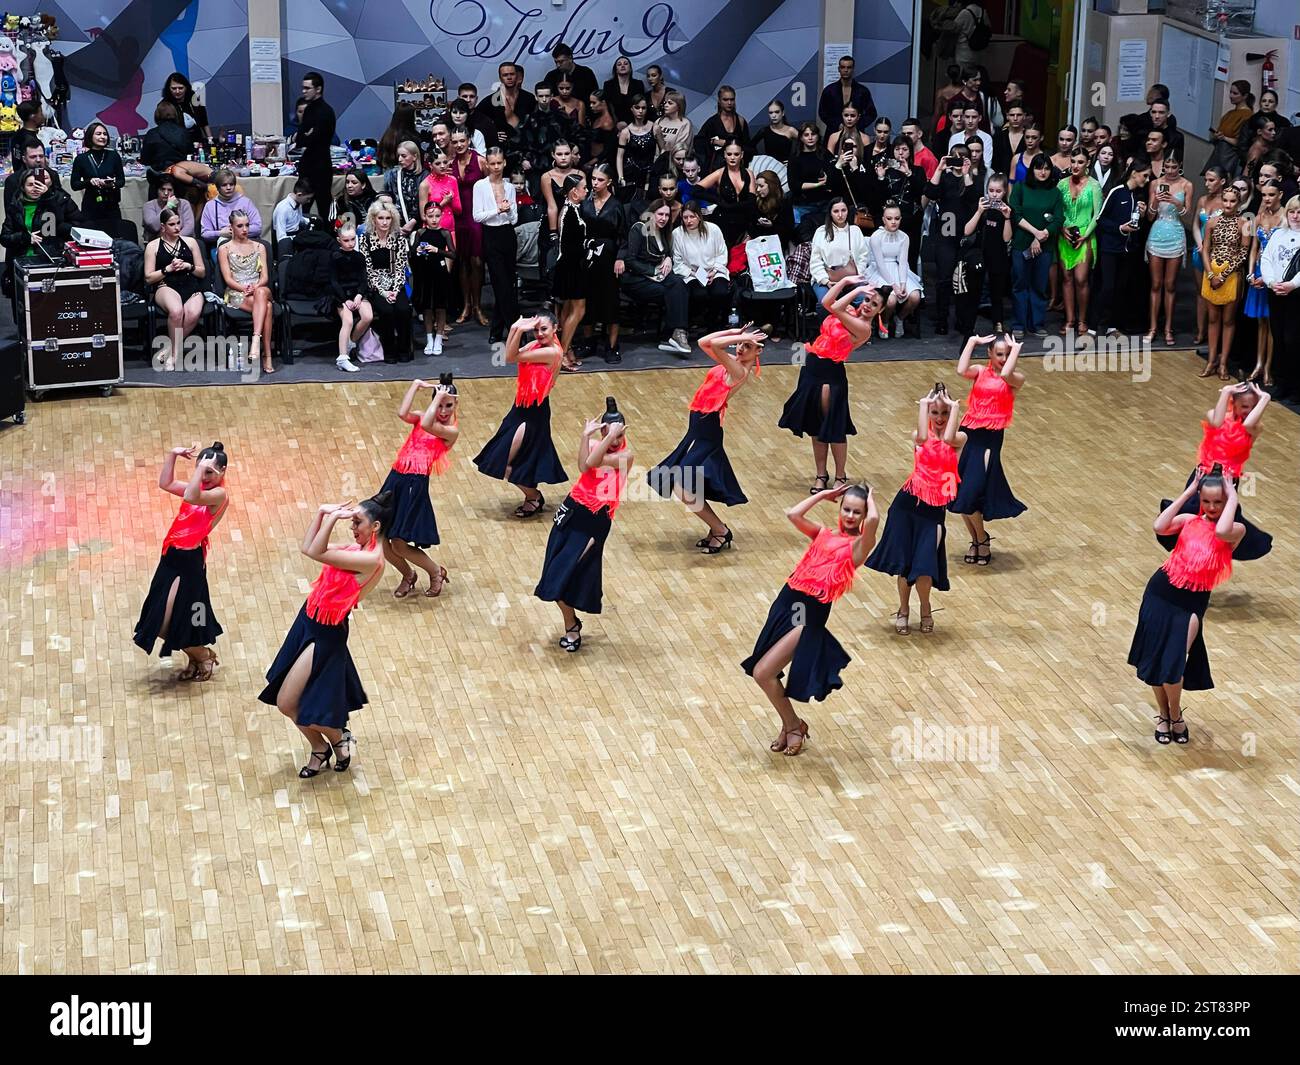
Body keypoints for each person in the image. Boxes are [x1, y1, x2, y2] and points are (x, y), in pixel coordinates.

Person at [260, 492, 393, 778]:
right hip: (307, 621)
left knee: (288, 702)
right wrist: (321, 513)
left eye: (357, 522)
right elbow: (309, 546)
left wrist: (331, 519)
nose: (352, 526)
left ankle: (337, 739)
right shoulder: (358, 550)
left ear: (377, 526)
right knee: (292, 701)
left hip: (326, 635)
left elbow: (316, 552)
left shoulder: (371, 559)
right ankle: (323, 746)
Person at [742, 483, 879, 756]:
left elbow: (874, 520)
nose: (851, 515)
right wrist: (823, 495)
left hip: (808, 615)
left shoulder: (859, 547)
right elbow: (793, 514)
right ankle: (790, 726)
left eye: (857, 512)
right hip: (785, 603)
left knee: (763, 672)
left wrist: (872, 498)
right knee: (764, 673)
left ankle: (793, 725)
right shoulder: (823, 534)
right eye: (847, 509)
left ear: (863, 515)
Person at [1129, 469, 1244, 744]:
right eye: (1207, 501)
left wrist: (1232, 495)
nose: (1212, 507)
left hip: (1191, 602)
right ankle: (1165, 715)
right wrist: (1190, 491)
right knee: (1157, 659)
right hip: (1160, 592)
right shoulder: (1188, 520)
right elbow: (1159, 526)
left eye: (1218, 502)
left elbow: (1222, 529)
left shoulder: (1236, 530)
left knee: (1174, 661)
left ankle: (1176, 715)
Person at [649, 326, 763, 551]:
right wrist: (736, 330)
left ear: (758, 352)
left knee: (681, 485)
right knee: (682, 483)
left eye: (747, 346)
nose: (740, 348)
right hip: (698, 429)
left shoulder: (738, 371)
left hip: (706, 431)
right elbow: (704, 342)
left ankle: (720, 529)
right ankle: (718, 529)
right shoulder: (732, 361)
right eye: (740, 344)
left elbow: (716, 345)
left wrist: (740, 336)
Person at [533, 398, 634, 653]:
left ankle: (572, 626)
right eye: (609, 433)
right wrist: (584, 437)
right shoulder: (594, 443)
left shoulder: (625, 456)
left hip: (596, 520)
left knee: (569, 573)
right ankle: (572, 623)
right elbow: (582, 466)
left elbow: (593, 463)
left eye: (618, 433)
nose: (613, 438)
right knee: (553, 575)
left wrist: (606, 438)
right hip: (572, 511)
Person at [866, 386, 965, 636]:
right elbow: (922, 436)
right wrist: (923, 403)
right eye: (935, 412)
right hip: (906, 506)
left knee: (925, 567)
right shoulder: (919, 436)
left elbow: (949, 436)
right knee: (905, 565)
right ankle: (902, 610)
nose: (940, 418)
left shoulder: (959, 439)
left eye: (944, 413)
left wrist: (954, 407)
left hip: (933, 513)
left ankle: (925, 609)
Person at [133, 442, 229, 681]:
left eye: (209, 472)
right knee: (159, 619)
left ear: (223, 472)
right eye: (200, 470)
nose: (203, 476)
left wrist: (198, 472)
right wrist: (172, 455)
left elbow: (191, 495)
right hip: (170, 558)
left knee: (177, 621)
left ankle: (203, 655)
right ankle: (198, 657)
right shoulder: (199, 489)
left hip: (189, 563)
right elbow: (165, 484)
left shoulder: (218, 494)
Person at [779, 276, 882, 489]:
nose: (867, 306)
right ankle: (821, 474)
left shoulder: (863, 328)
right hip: (812, 367)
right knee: (815, 426)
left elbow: (834, 307)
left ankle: (841, 476)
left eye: (874, 304)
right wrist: (845, 281)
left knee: (833, 427)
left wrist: (857, 290)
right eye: (867, 300)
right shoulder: (851, 312)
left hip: (831, 373)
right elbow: (826, 303)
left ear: (880, 311)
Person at [1155, 382, 1272, 562]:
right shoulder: (1215, 415)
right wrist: (1226, 392)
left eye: (1253, 407)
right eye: (1245, 406)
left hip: (1226, 480)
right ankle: (1185, 551)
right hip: (1203, 475)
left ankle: (1209, 556)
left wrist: (1266, 398)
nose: (1249, 411)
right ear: (1234, 403)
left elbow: (1248, 422)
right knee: (1190, 514)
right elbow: (1216, 422)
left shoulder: (1255, 427)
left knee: (1219, 522)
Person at [473, 313, 568, 517]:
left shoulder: (553, 352)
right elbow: (510, 352)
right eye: (536, 329)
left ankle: (533, 496)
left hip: (534, 413)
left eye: (544, 329)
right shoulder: (536, 345)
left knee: (506, 459)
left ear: (555, 328)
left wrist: (517, 328)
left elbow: (510, 357)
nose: (539, 333)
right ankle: (532, 495)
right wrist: (516, 328)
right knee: (503, 460)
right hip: (519, 408)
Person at [949, 335, 1026, 565]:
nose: (1003, 358)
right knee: (961, 492)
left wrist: (1017, 350)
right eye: (999, 354)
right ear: (990, 354)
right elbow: (961, 369)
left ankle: (982, 538)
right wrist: (972, 342)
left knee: (971, 491)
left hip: (990, 438)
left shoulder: (1015, 378)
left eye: (1006, 354)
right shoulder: (980, 371)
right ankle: (976, 541)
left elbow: (1005, 374)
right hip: (968, 434)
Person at [380, 378, 459, 599]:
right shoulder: (423, 417)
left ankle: (435, 571)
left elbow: (426, 426)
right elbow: (402, 413)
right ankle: (408, 575)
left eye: (449, 405)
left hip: (415, 485)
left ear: (456, 405)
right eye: (440, 404)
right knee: (382, 539)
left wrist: (439, 396)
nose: (443, 410)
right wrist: (416, 385)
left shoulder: (450, 431)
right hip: (395, 479)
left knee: (399, 542)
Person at [620, 198, 692, 354]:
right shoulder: (639, 228)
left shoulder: (664, 231)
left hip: (658, 276)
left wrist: (668, 258)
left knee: (680, 284)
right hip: (636, 278)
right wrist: (652, 271)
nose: (663, 218)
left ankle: (677, 332)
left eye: (666, 215)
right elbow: (630, 260)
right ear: (651, 214)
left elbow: (666, 252)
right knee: (671, 292)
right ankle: (672, 335)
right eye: (660, 214)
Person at [142, 207, 205, 371]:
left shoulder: (191, 242)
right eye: (172, 224)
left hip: (190, 284)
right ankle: (175, 356)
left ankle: (169, 349)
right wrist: (167, 269)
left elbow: (201, 271)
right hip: (166, 285)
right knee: (177, 312)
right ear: (163, 227)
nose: (177, 227)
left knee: (192, 314)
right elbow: (148, 278)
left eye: (178, 223)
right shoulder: (153, 246)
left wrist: (188, 266)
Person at [1093, 158, 1151, 336]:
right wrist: (1119, 228)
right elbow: (1100, 219)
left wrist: (1141, 216)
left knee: (1120, 289)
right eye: (1145, 175)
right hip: (1110, 249)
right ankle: (1093, 327)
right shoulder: (1117, 192)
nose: (1147, 180)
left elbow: (1135, 226)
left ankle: (1112, 326)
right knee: (1107, 287)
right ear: (1134, 173)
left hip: (1127, 251)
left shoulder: (1138, 197)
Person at [1008, 153, 1061, 338]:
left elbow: (1058, 219)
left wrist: (1041, 236)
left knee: (1039, 286)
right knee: (1020, 284)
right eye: (1039, 168)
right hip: (1022, 243)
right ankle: (1018, 324)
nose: (1043, 172)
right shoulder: (1021, 187)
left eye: (1046, 168)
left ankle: (1037, 323)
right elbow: (1015, 213)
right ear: (1033, 169)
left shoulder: (1055, 192)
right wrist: (1035, 233)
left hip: (1045, 245)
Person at [578, 163, 627, 363]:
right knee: (588, 300)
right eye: (594, 179)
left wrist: (620, 258)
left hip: (608, 259)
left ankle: (612, 346)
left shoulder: (616, 206)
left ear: (609, 182)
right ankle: (588, 341)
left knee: (610, 302)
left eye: (600, 180)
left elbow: (623, 236)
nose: (596, 183)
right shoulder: (585, 202)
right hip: (587, 259)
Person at [217, 210, 276, 374]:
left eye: (247, 225)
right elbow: (227, 279)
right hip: (236, 292)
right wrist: (243, 288)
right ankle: (267, 354)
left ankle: (256, 340)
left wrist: (255, 287)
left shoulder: (259, 246)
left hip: (258, 288)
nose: (245, 229)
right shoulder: (225, 248)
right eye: (240, 226)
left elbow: (264, 276)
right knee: (268, 308)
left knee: (262, 293)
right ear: (231, 227)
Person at [1200, 186, 1249, 380]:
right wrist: (1211, 275)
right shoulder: (1212, 221)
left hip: (1231, 276)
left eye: (1233, 201)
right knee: (1212, 319)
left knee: (1228, 320)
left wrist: (1225, 274)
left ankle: (1223, 364)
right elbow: (1205, 249)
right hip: (1212, 273)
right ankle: (1211, 360)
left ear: (1239, 203)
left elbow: (1244, 252)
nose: (1228, 205)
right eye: (1226, 200)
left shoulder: (1245, 223)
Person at [928, 147, 978, 334]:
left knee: (963, 281)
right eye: (954, 157)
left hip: (965, 237)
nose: (958, 161)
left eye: (962, 157)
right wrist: (940, 168)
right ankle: (942, 320)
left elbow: (974, 198)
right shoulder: (945, 178)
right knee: (944, 280)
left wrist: (966, 174)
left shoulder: (971, 179)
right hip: (945, 236)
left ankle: (962, 319)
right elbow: (930, 192)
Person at [473, 145, 519, 344]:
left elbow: (515, 218)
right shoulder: (480, 186)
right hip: (490, 235)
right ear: (487, 164)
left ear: (505, 163)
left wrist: (507, 211)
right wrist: (497, 210)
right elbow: (477, 216)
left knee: (508, 283)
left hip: (508, 235)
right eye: (492, 163)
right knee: (501, 283)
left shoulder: (509, 187)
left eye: (499, 163)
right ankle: (516, 331)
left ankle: (496, 329)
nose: (496, 167)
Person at [957, 172, 1012, 336]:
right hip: (980, 255)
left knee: (997, 291)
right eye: (991, 190)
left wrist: (1007, 218)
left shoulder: (1007, 210)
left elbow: (1007, 238)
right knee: (974, 292)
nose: (994, 194)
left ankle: (998, 323)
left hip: (998, 255)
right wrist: (979, 212)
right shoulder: (981, 207)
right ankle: (969, 326)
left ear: (1005, 192)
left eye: (998, 191)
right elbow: (967, 231)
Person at [1145, 153, 1192, 344]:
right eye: (1167, 167)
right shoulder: (1155, 183)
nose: (1170, 171)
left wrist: (1176, 202)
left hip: (1176, 233)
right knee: (1156, 284)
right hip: (1157, 233)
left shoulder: (1187, 185)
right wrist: (1156, 200)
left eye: (1174, 167)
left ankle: (1168, 329)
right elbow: (1149, 216)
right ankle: (1153, 327)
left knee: (1170, 285)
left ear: (1179, 166)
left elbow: (1187, 216)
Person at [359, 198, 412, 362]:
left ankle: (404, 350)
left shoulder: (399, 240)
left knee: (403, 310)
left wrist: (395, 291)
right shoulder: (365, 240)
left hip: (396, 284)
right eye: (381, 218)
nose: (384, 222)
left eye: (388, 218)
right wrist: (383, 292)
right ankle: (388, 351)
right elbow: (368, 271)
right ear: (374, 219)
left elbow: (401, 268)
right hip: (376, 287)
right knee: (386, 311)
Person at [1057, 148, 1101, 335]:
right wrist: (1063, 227)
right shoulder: (1061, 184)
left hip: (1085, 235)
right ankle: (1069, 319)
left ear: (1088, 163)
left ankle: (1083, 320)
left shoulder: (1094, 186)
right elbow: (1057, 210)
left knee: (1081, 279)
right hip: (1065, 234)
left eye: (1080, 162)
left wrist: (1086, 235)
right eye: (1073, 161)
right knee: (1066, 279)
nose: (1075, 165)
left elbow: (1097, 214)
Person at [1243, 180, 1284, 383]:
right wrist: (1251, 273)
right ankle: (1258, 364)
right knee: (1260, 321)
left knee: (1271, 322)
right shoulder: (1259, 217)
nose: (1267, 199)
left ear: (1280, 195)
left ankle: (1269, 367)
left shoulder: (1286, 218)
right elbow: (1253, 248)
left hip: (1274, 274)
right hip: (1258, 271)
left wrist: (1267, 278)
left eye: (1271, 195)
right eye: (1264, 195)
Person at [1260, 195, 1300, 400]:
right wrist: (1270, 281)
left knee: (1293, 339)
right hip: (1276, 291)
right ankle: (1282, 382)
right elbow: (1266, 258)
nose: (1296, 216)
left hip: (1296, 295)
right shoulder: (1278, 234)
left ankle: (1296, 386)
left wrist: (1292, 285)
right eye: (1292, 211)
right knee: (1278, 337)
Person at [551, 173, 590, 372]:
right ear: (574, 192)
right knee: (578, 310)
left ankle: (566, 350)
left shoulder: (573, 209)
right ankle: (562, 354)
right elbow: (567, 247)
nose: (587, 190)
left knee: (567, 311)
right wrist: (588, 249)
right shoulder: (568, 213)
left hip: (573, 266)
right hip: (571, 267)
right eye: (584, 188)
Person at [866, 202, 922, 339]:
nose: (893, 222)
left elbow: (903, 262)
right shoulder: (876, 237)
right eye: (890, 218)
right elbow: (880, 265)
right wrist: (895, 286)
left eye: (897, 218)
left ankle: (900, 319)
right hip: (880, 271)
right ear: (884, 219)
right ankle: (884, 322)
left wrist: (902, 283)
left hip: (897, 268)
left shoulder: (904, 237)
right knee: (891, 300)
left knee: (915, 297)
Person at [673, 201, 732, 329]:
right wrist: (695, 274)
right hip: (692, 272)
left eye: (692, 217)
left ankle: (713, 321)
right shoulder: (677, 234)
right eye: (685, 217)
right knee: (700, 294)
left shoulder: (713, 229)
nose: (689, 221)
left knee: (719, 292)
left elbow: (722, 253)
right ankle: (698, 320)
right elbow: (677, 261)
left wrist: (714, 271)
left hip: (714, 270)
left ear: (699, 216)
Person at [140, 100, 212, 200]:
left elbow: (145, 159)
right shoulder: (184, 133)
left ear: (157, 115)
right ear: (175, 114)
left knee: (157, 211)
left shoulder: (152, 134)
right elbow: (190, 153)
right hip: (179, 179)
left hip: (158, 180)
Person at [450, 129, 486, 326]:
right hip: (458, 217)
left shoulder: (480, 161)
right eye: (455, 142)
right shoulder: (450, 164)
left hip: (477, 216)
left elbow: (492, 184)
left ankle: (478, 306)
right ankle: (466, 305)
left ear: (469, 140)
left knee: (477, 262)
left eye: (462, 140)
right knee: (462, 262)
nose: (459, 145)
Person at [411, 201, 456, 356]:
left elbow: (453, 254)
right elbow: (412, 254)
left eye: (437, 216)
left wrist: (437, 250)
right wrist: (417, 251)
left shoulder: (445, 233)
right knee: (427, 307)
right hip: (425, 274)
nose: (434, 219)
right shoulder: (420, 233)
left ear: (441, 216)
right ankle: (429, 338)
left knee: (440, 307)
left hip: (440, 273)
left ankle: (439, 337)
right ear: (425, 217)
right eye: (431, 216)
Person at [809, 197, 871, 307]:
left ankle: (855, 324)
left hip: (852, 278)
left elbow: (863, 256)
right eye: (836, 211)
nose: (840, 215)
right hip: (827, 279)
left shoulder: (855, 231)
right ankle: (828, 325)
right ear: (830, 213)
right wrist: (825, 281)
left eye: (843, 210)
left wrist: (857, 276)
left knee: (865, 300)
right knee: (825, 303)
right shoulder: (821, 231)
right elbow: (815, 261)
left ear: (848, 211)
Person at [326, 225, 372, 373]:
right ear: (339, 240)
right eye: (346, 240)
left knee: (368, 316)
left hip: (356, 293)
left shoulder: (359, 257)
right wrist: (345, 299)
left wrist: (359, 295)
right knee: (348, 320)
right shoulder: (334, 257)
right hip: (341, 295)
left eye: (353, 239)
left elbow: (364, 280)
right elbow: (333, 282)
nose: (350, 243)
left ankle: (351, 342)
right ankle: (342, 357)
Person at [695, 138, 755, 247]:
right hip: (723, 221)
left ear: (741, 155)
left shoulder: (748, 173)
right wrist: (718, 201)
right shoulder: (719, 173)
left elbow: (752, 201)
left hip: (743, 221)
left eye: (736, 154)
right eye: (729, 154)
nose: (732, 157)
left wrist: (729, 206)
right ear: (724, 155)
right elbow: (696, 190)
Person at [1191, 166, 1226, 345]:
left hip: (1218, 254)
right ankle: (1200, 331)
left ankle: (1215, 335)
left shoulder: (1228, 202)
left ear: (1222, 181)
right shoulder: (1203, 200)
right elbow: (1196, 224)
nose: (1207, 183)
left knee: (1215, 293)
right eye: (1206, 180)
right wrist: (1199, 243)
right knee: (1200, 292)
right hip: (1200, 250)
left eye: (1211, 180)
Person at [70, 121, 124, 230]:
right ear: (90, 136)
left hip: (111, 204)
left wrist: (112, 184)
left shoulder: (114, 155)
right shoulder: (81, 159)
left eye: (105, 134)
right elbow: (74, 185)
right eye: (98, 134)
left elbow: (121, 181)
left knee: (115, 236)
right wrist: (89, 182)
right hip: (91, 205)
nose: (103, 137)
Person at [297, 72, 336, 219]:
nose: (303, 91)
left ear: (318, 89)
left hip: (321, 168)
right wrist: (307, 135)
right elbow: (301, 138)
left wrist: (309, 135)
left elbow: (317, 139)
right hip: (307, 167)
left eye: (307, 88)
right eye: (303, 88)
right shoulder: (309, 109)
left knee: (324, 210)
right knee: (302, 211)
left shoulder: (326, 112)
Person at [200, 168, 263, 248]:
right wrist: (220, 233)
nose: (228, 187)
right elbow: (205, 234)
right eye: (224, 185)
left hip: (245, 242)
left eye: (231, 184)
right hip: (222, 244)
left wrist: (236, 231)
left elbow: (257, 228)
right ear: (218, 187)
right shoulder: (210, 206)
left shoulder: (246, 202)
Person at [695, 86, 750, 173]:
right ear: (719, 101)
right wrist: (714, 141)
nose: (729, 103)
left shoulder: (741, 121)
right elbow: (699, 141)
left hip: (737, 168)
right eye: (725, 99)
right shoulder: (712, 122)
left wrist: (729, 144)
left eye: (732, 99)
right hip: (716, 168)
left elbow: (748, 146)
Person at [817, 54, 878, 134]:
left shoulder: (862, 91)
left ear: (853, 69)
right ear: (839, 69)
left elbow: (871, 113)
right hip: (833, 133)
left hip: (857, 134)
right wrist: (837, 125)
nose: (846, 70)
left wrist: (856, 125)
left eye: (849, 67)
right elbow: (822, 112)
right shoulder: (829, 90)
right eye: (843, 67)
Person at [478, 61, 537, 142]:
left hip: (526, 145)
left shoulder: (528, 98)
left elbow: (537, 121)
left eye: (512, 74)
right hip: (501, 149)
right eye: (505, 75)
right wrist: (491, 134)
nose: (509, 77)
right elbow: (476, 121)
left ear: (517, 76)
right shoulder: (490, 101)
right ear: (500, 78)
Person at [789, 122, 834, 226]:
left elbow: (834, 172)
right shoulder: (795, 157)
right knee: (801, 234)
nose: (810, 137)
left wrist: (829, 178)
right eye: (806, 135)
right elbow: (794, 185)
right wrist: (818, 185)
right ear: (801, 138)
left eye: (813, 134)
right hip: (803, 205)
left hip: (825, 202)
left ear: (818, 136)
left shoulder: (825, 153)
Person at [615, 94, 658, 204]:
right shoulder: (626, 132)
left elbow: (663, 150)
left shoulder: (654, 127)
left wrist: (657, 165)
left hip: (651, 172)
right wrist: (621, 177)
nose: (640, 111)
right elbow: (620, 156)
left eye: (643, 108)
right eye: (637, 107)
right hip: (632, 172)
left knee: (649, 203)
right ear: (632, 109)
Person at [383, 140, 426, 238]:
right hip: (397, 225)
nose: (399, 159)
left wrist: (412, 222)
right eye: (398, 156)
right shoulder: (393, 175)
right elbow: (388, 194)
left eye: (404, 156)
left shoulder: (425, 176)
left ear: (414, 157)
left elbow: (425, 204)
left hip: (419, 225)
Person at [142, 177, 194, 242]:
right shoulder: (148, 206)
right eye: (162, 189)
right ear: (157, 190)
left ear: (174, 191)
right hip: (157, 244)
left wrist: (173, 239)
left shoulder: (184, 204)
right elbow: (154, 227)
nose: (166, 193)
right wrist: (168, 206)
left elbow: (189, 228)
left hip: (182, 241)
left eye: (169, 190)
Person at [163, 72, 211, 141]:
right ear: (168, 89)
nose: (177, 91)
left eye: (180, 88)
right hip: (176, 144)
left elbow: (204, 122)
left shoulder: (194, 99)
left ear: (186, 87)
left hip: (197, 141)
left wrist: (210, 141)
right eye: (174, 88)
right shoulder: (164, 105)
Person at [750, 99, 799, 164]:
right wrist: (760, 160)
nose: (773, 115)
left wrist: (794, 160)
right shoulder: (764, 130)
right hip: (770, 167)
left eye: (777, 112)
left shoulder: (791, 130)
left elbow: (806, 142)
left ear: (783, 113)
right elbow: (751, 145)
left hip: (786, 167)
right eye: (771, 113)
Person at [601, 55, 645, 126]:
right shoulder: (608, 85)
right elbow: (607, 108)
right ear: (616, 69)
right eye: (619, 64)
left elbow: (641, 107)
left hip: (635, 123)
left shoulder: (638, 84)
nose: (622, 66)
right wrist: (616, 124)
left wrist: (628, 123)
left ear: (630, 68)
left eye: (625, 63)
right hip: (614, 124)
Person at [377, 102, 421, 168]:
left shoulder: (388, 136)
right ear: (410, 118)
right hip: (407, 174)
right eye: (414, 116)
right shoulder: (410, 138)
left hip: (389, 172)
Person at [272, 179, 313, 245]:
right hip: (289, 241)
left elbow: (299, 219)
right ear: (299, 195)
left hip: (297, 234)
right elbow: (281, 237)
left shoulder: (298, 203)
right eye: (307, 198)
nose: (309, 201)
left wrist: (310, 221)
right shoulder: (283, 209)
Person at [653, 91, 693, 159]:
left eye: (670, 103)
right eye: (665, 102)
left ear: (679, 106)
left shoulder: (685, 124)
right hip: (656, 161)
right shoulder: (659, 120)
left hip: (674, 162)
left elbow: (681, 148)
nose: (666, 105)